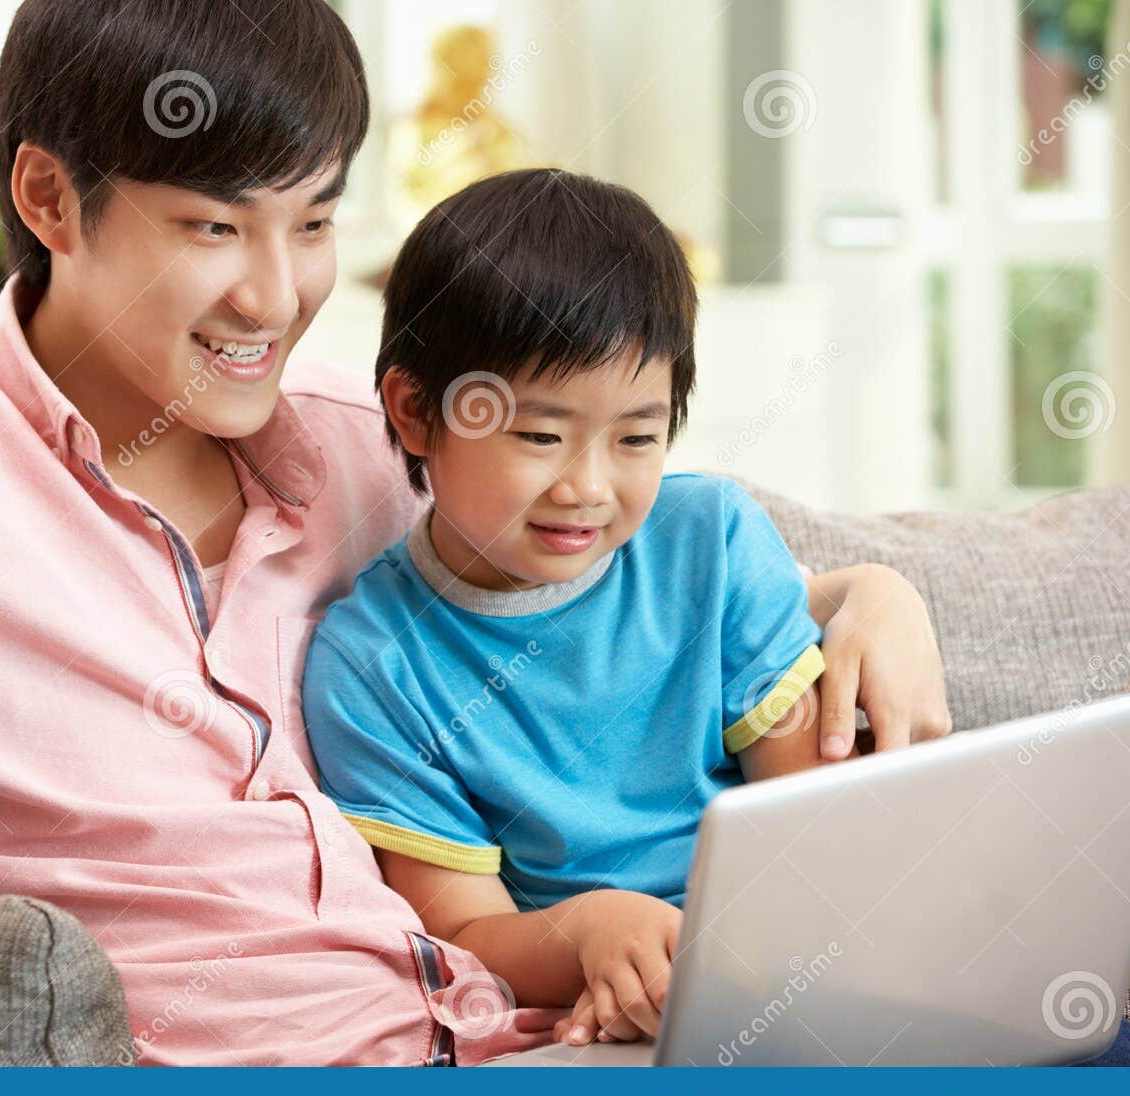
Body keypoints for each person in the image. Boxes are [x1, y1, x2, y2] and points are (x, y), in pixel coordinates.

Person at [0, 0, 951, 1065]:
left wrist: (857, 590)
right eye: (217, 228)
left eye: (316, 222)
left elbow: (599, 558)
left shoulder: (349, 438)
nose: (278, 295)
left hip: (521, 1050)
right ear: (46, 200)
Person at [305, 169, 849, 1048]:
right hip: (609, 1022)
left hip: (794, 968)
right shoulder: (374, 662)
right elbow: (470, 932)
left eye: (637, 436)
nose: (588, 487)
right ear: (415, 411)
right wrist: (595, 929)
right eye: (540, 436)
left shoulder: (710, 541)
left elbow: (820, 818)